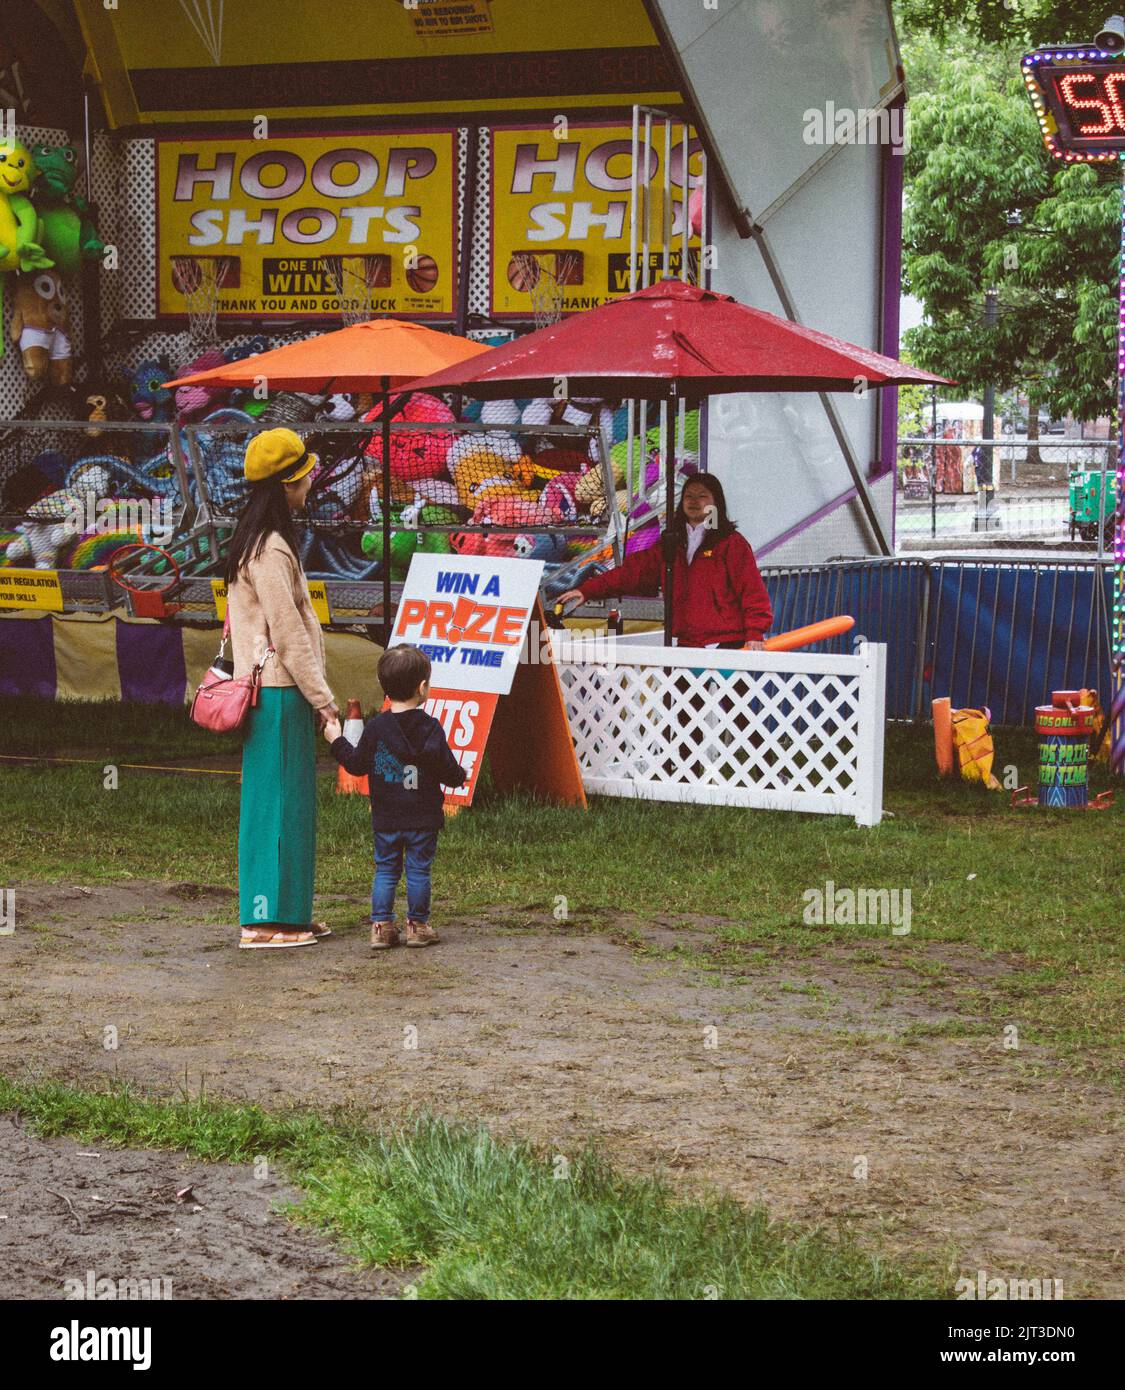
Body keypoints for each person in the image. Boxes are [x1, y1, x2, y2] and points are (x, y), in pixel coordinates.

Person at [226, 428, 339, 950]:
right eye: (305, 472)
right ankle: (263, 923)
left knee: (285, 803)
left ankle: (286, 913)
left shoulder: (258, 542)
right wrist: (324, 698)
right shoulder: (270, 550)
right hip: (279, 689)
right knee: (278, 804)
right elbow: (288, 632)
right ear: (289, 482)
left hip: (273, 689)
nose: (311, 478)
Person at [324, 644, 467, 950]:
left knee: (386, 869)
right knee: (418, 870)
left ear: (384, 688)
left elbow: (357, 764)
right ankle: (417, 926)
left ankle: (381, 927)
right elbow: (447, 770)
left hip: (386, 816)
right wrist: (460, 776)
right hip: (423, 817)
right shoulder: (430, 728)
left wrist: (336, 740)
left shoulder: (376, 727)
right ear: (422, 687)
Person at [557, 473, 772, 648]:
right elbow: (633, 573)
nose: (694, 502)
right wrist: (587, 590)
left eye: (702, 496)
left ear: (716, 503)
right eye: (689, 496)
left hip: (728, 643)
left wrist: (755, 633)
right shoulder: (671, 543)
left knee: (727, 703)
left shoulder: (731, 543)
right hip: (688, 644)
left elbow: (752, 591)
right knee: (683, 702)